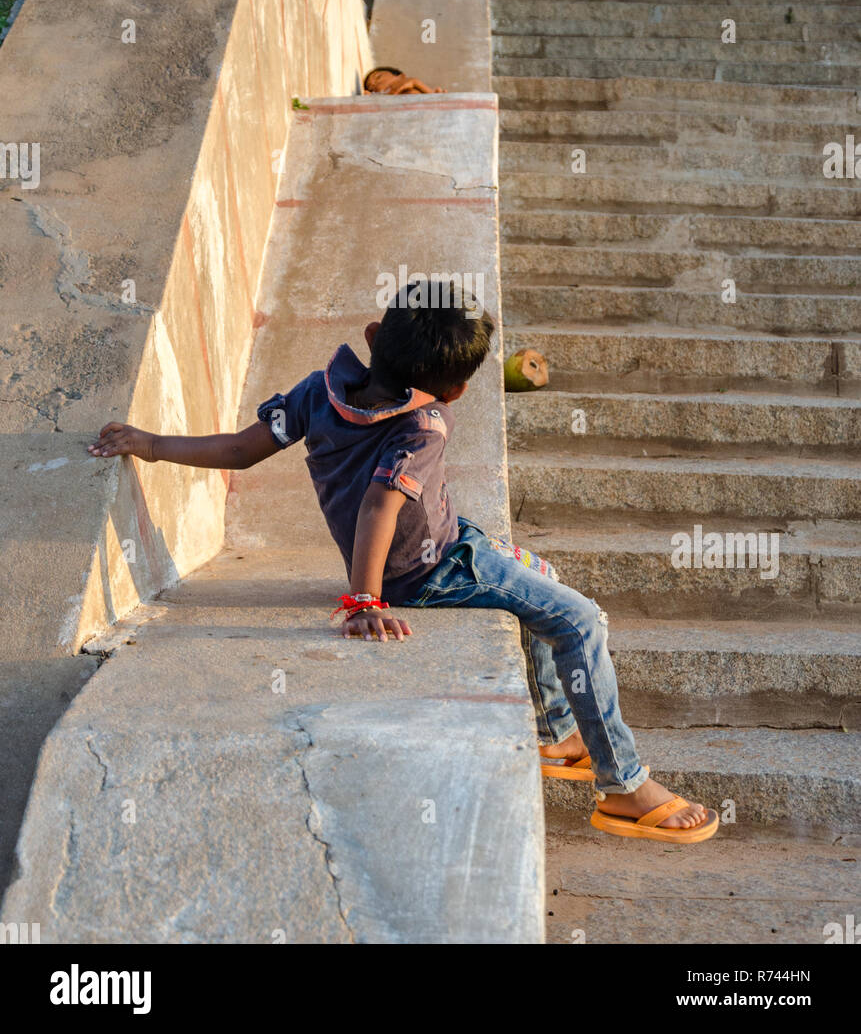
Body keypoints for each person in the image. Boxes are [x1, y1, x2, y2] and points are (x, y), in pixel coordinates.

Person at [88, 286, 718, 845]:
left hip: (452, 543)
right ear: (458, 389)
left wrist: (150, 443)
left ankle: (558, 733)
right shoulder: (425, 424)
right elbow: (379, 506)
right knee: (580, 621)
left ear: (371, 338)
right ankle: (623, 787)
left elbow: (239, 449)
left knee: (543, 579)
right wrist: (365, 600)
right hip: (438, 571)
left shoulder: (317, 391)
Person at [363, 67, 444, 95]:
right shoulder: (384, 97)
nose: (374, 83)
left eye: (378, 77)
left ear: (401, 76)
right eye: (371, 87)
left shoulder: (411, 83)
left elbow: (414, 81)